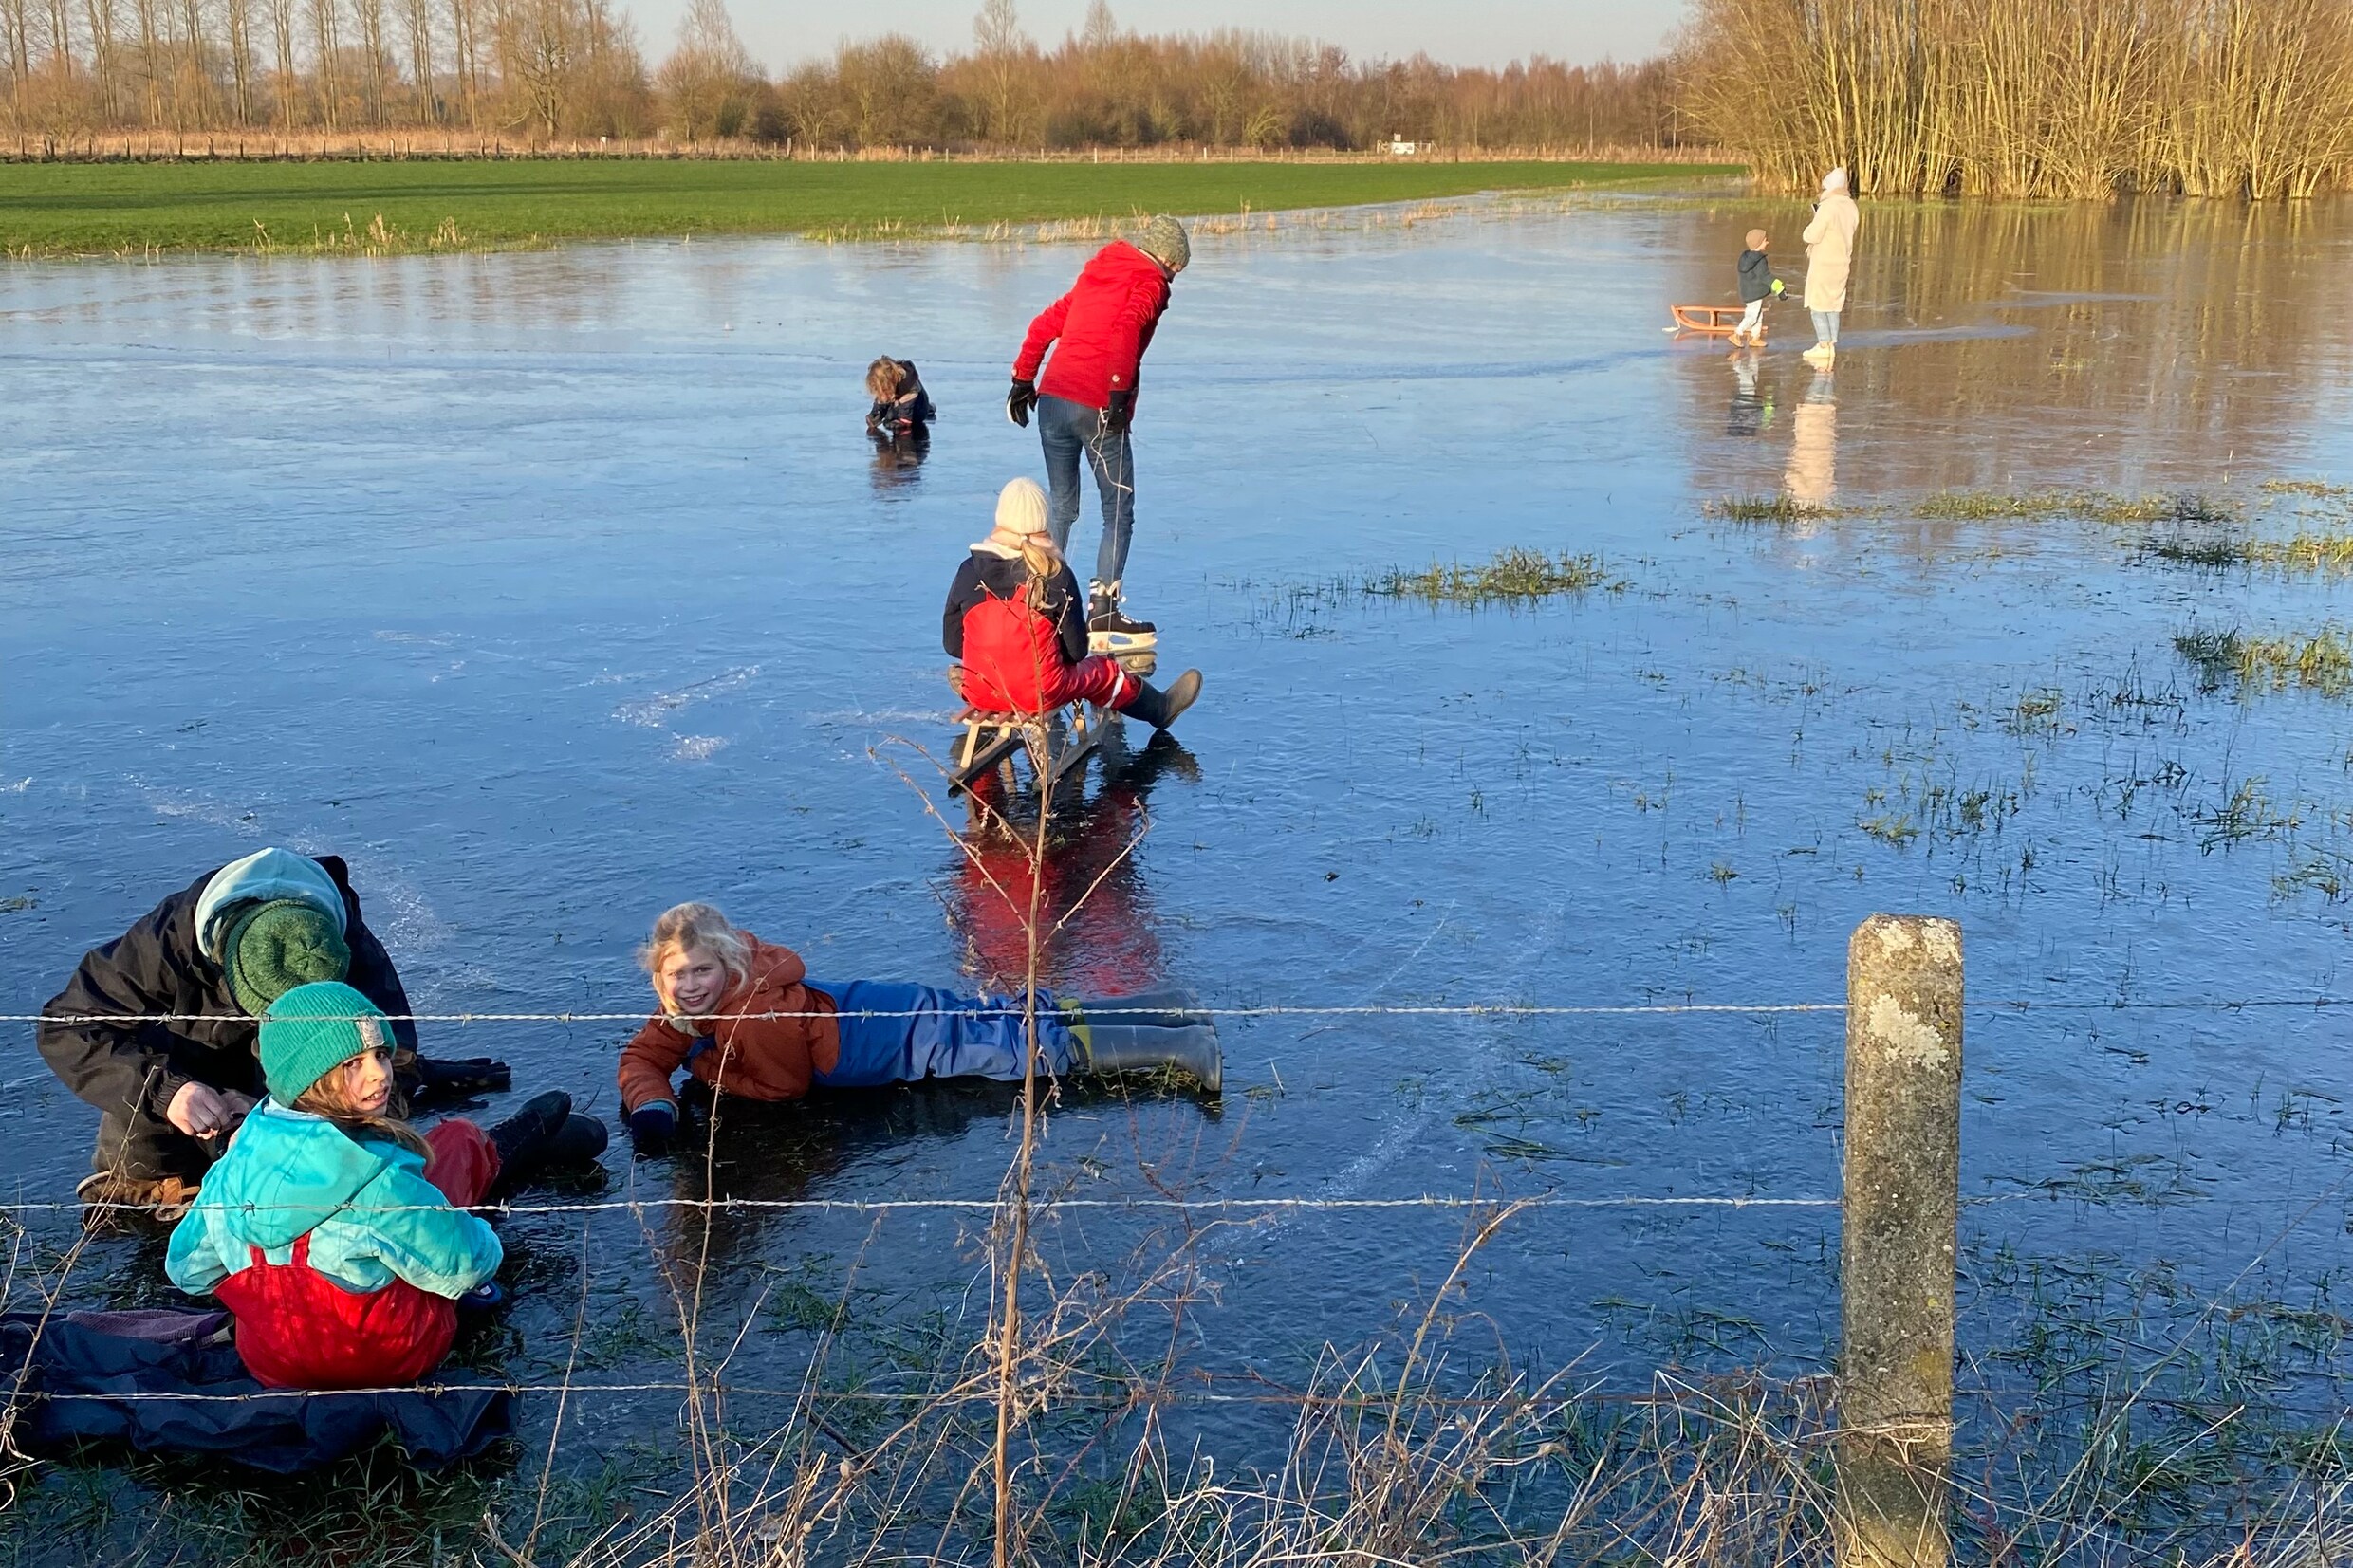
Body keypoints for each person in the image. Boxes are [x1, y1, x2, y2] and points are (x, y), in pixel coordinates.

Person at [164, 982, 606, 1390]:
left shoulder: (232, 1168)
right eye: (353, 1063)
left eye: (380, 1054)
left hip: (271, 1362)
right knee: (452, 1146)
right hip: (388, 1358)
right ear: (308, 1077)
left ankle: (505, 1148)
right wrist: (480, 1234)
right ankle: (509, 1145)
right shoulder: (382, 1180)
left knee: (433, 1171)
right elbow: (469, 1267)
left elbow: (188, 1271)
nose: (380, 1073)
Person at [39, 848, 510, 1216]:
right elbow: (67, 1027)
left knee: (340, 1159)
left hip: (278, 1084)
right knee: (140, 1178)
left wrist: (280, 1118)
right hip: (180, 1069)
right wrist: (168, 1092)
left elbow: (396, 1053)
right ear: (224, 963)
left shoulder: (344, 948)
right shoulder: (163, 946)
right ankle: (155, 1169)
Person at [618, 902, 1220, 1155]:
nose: (689, 985)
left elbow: (783, 1088)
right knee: (1010, 1015)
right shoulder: (702, 1003)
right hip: (888, 1005)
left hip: (905, 1041)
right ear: (659, 975)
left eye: (701, 971)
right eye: (676, 974)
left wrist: (703, 1066)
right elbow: (644, 1055)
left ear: (728, 965)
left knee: (1023, 1048)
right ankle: (1166, 1004)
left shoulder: (754, 1017)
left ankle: (1182, 1046)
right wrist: (654, 1105)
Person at [1004, 214, 1191, 646]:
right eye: (1176, 271)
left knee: (1062, 507)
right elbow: (1126, 331)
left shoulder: (1096, 275)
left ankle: (1041, 603)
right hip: (1097, 406)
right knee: (1117, 509)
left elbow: (1045, 323)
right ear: (1169, 259)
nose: (1173, 280)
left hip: (1052, 399)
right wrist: (1118, 394)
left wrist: (1022, 378)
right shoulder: (1150, 282)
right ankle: (1104, 612)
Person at [943, 477, 1201, 730]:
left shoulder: (968, 571)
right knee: (1103, 673)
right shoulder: (1056, 574)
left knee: (969, 669)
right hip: (1042, 692)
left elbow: (953, 645)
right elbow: (1076, 653)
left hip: (982, 689)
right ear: (1044, 519)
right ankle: (1161, 709)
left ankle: (982, 728)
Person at [1802, 169, 1861, 367]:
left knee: (1817, 305)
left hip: (1824, 263)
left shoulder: (1827, 208)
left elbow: (1812, 235)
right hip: (1843, 262)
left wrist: (1814, 219)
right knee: (1834, 305)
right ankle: (1831, 345)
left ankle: (1823, 345)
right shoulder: (1851, 207)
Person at [1729, 228, 1785, 351]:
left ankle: (1755, 337)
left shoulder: (1746, 258)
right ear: (1759, 243)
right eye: (1765, 240)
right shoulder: (1759, 260)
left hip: (1749, 292)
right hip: (1754, 293)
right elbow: (1766, 276)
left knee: (1758, 315)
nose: (1767, 242)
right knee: (1752, 316)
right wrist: (1780, 289)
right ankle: (1737, 334)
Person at [865, 357, 937, 438]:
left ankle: (928, 409)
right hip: (899, 403)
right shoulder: (888, 385)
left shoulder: (908, 385)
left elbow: (908, 406)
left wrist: (902, 421)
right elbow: (882, 398)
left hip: (916, 406)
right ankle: (929, 408)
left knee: (894, 416)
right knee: (890, 415)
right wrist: (876, 414)